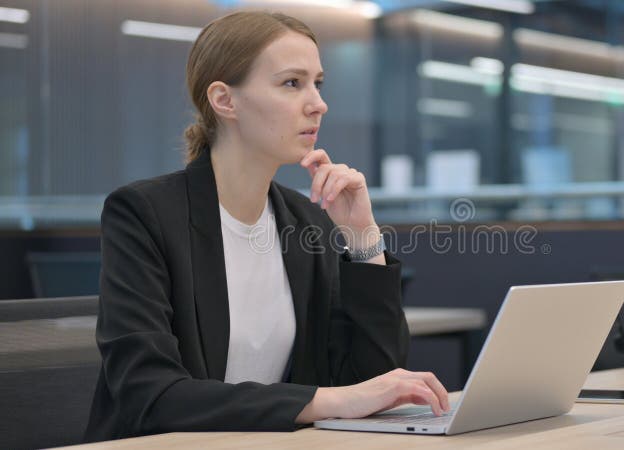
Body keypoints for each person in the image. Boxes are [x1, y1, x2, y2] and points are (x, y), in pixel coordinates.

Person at [84, 10, 448, 442]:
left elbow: (372, 380)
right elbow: (152, 395)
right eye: (292, 83)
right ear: (224, 100)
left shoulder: (306, 220)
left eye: (318, 83)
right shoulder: (144, 213)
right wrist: (332, 400)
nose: (318, 103)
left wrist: (363, 238)